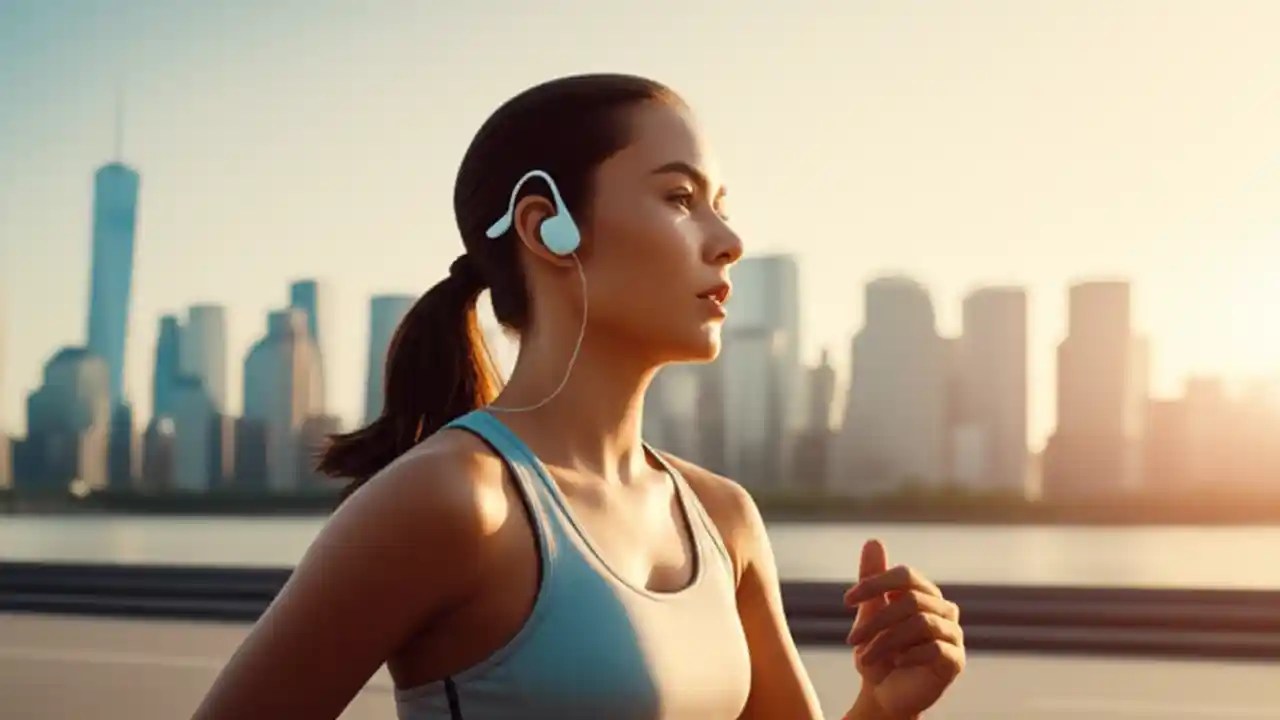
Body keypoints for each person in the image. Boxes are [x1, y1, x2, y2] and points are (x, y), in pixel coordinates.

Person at [193, 73, 965, 720]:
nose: (728, 239)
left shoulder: (724, 519)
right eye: (679, 198)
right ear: (547, 227)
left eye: (721, 204)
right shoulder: (453, 501)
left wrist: (881, 706)